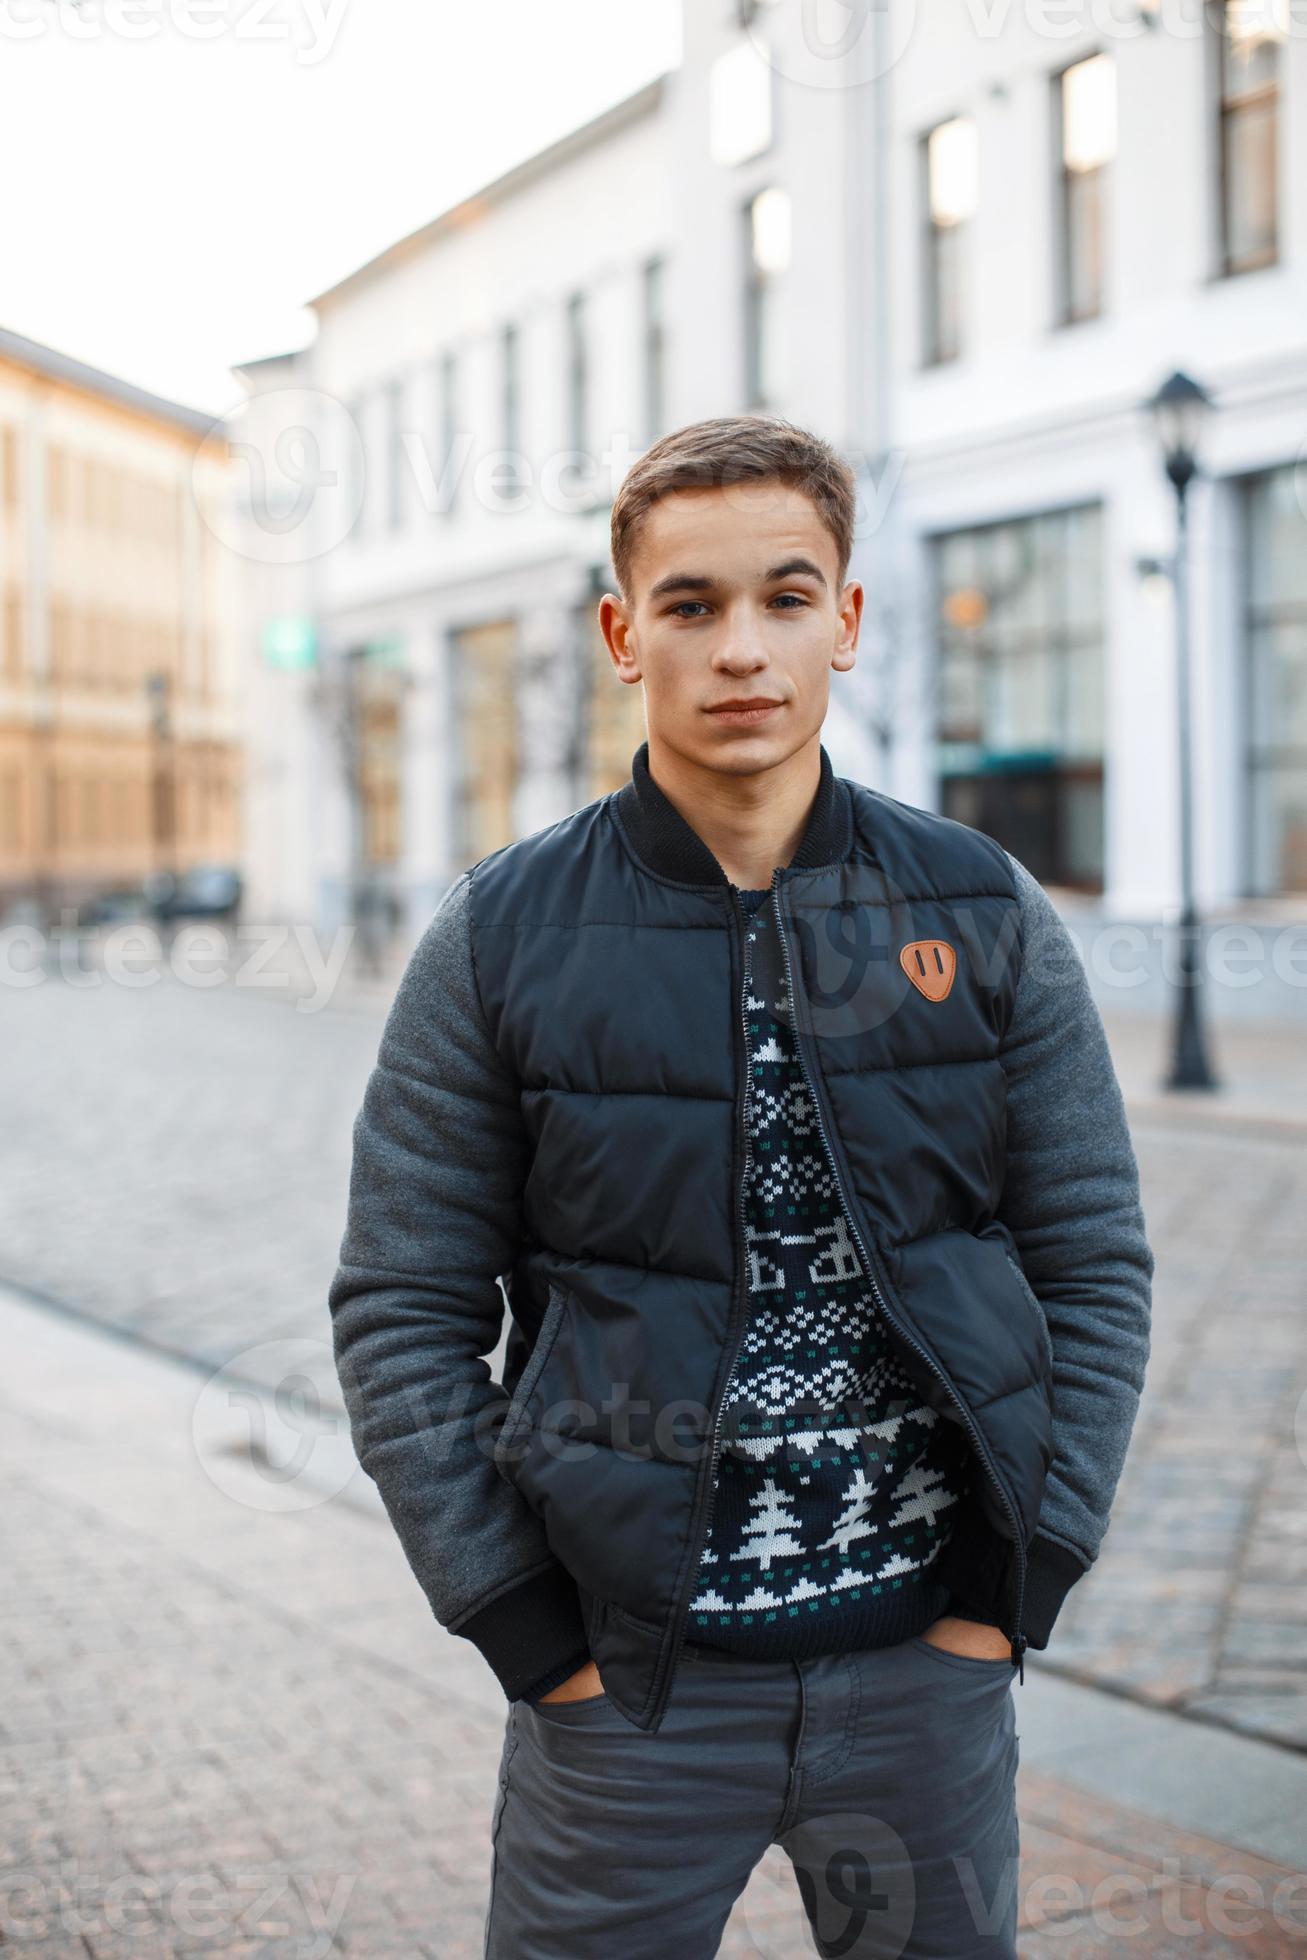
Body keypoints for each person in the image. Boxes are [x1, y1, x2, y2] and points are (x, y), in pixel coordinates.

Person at [328, 414, 1155, 1958]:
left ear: (845, 620)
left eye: (786, 597)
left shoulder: (981, 909)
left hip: (928, 1677)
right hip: (629, 1697)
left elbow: (1093, 1263)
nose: (740, 651)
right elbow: (400, 1305)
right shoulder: (503, 935)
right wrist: (526, 1628)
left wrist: (1006, 1598)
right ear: (621, 633)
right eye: (691, 606)